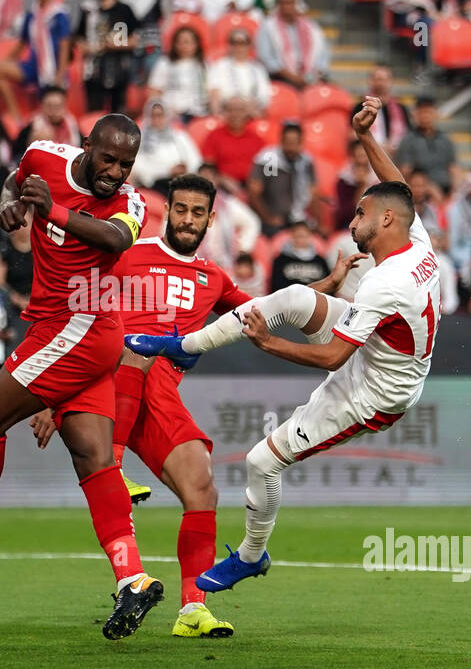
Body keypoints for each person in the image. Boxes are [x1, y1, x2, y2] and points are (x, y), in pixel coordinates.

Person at [125, 95, 437, 592]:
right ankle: (187, 345)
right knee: (292, 294)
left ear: (384, 222)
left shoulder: (384, 284)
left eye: (359, 214)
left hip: (375, 392)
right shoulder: (415, 241)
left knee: (260, 462)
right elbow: (395, 188)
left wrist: (268, 345)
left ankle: (251, 555)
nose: (350, 221)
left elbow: (335, 357)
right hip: (381, 347)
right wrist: (363, 137)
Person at [0, 115, 168, 642]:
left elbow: (112, 241)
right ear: (86, 146)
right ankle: (132, 578)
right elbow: (15, 181)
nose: (115, 172)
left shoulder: (129, 204)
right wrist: (9, 206)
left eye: (126, 164)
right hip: (67, 329)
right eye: (107, 159)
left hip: (79, 327)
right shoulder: (44, 155)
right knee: (93, 456)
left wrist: (53, 209)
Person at [34, 174, 256, 635]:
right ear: (167, 211)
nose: (188, 219)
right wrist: (48, 385)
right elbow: (73, 307)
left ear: (211, 219)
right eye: (180, 209)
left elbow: (263, 312)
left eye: (198, 212)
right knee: (138, 343)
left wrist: (327, 285)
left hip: (159, 395)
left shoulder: (213, 277)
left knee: (201, 486)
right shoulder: (130, 254)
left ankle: (192, 610)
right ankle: (113, 469)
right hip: (108, 382)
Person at [0, 0, 71, 116]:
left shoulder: (59, 14)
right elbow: (23, 42)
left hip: (53, 67)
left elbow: (64, 45)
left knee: (51, 110)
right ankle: (15, 114)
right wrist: (8, 60)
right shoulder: (32, 15)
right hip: (34, 65)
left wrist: (60, 73)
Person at [75, 0, 139, 114]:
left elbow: (136, 39)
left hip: (119, 68)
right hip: (94, 70)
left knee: (118, 113)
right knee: (94, 112)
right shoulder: (89, 10)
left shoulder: (124, 10)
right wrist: (87, 47)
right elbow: (79, 38)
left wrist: (116, 45)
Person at [247, 122, 316, 235]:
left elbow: (314, 193)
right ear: (281, 141)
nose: (291, 148)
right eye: (288, 143)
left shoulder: (306, 161)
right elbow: (254, 193)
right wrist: (268, 218)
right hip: (272, 219)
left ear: (301, 143)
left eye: (295, 143)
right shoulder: (268, 159)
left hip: (298, 217)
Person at [256, 0, 329, 89]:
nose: (287, 6)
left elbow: (323, 56)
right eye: (283, 3)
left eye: (290, 3)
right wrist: (294, 78)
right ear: (278, 5)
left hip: (311, 77)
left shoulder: (311, 27)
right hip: (281, 78)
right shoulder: (268, 27)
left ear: (297, 4)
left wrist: (312, 77)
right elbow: (266, 58)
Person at [130, 99, 202, 190]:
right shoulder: (141, 140)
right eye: (153, 116)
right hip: (155, 187)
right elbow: (138, 168)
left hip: (183, 182)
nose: (157, 120)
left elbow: (196, 160)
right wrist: (168, 171)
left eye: (160, 115)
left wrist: (185, 170)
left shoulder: (180, 137)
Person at [396, 97, 457, 195]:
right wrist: (427, 188)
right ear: (415, 115)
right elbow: (405, 171)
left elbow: (453, 168)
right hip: (420, 192)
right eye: (422, 112)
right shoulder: (408, 140)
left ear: (436, 114)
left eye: (429, 112)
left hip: (446, 189)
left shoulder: (445, 140)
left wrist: (454, 193)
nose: (426, 116)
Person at [146, 25, 209, 121]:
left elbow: (211, 91)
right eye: (179, 42)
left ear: (196, 44)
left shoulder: (204, 65)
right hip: (172, 115)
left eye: (187, 42)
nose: (183, 46)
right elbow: (154, 91)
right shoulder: (165, 63)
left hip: (198, 114)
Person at [206, 28, 270, 117]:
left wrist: (245, 108)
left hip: (251, 113)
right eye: (234, 43)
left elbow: (263, 97)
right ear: (230, 46)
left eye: (243, 43)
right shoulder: (219, 66)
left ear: (249, 46)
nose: (239, 47)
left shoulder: (258, 69)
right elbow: (214, 94)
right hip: (227, 113)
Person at [270, 221, 329, 290]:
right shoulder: (281, 260)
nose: (301, 240)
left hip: (315, 298)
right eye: (298, 236)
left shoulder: (320, 261)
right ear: (292, 237)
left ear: (310, 237)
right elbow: (276, 286)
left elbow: (328, 285)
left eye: (304, 236)